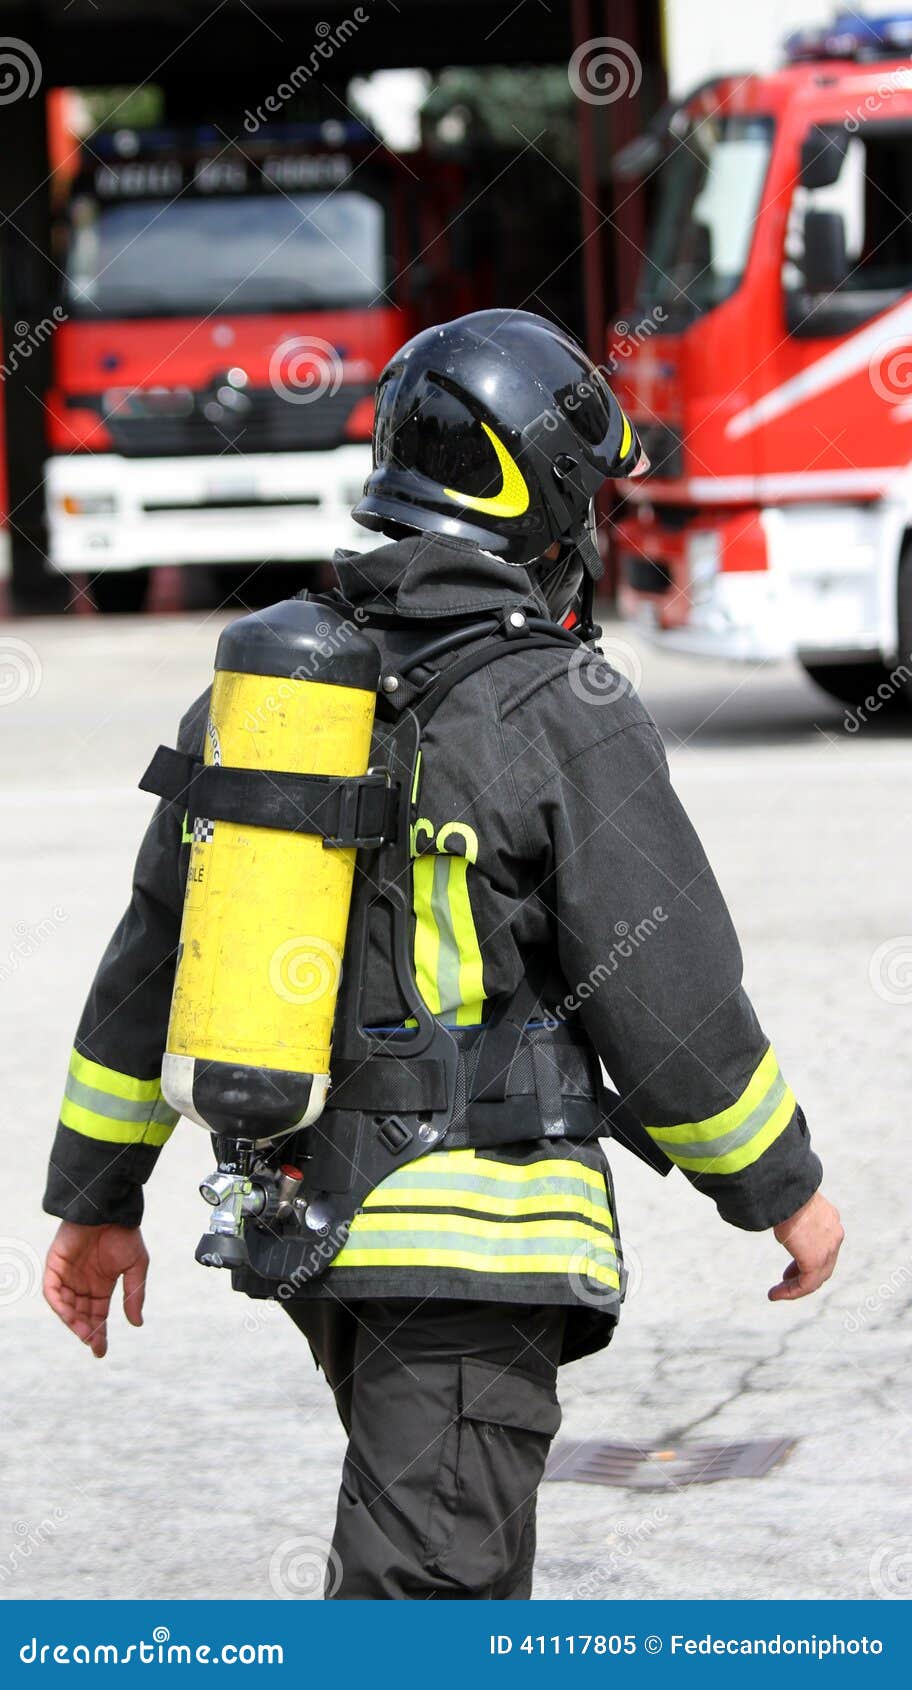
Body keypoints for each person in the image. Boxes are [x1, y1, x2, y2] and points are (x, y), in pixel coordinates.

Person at [43, 310, 844, 1600]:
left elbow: (155, 963)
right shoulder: (557, 701)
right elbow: (670, 993)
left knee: (435, 1569)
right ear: (550, 504)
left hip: (317, 1225)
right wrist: (781, 1186)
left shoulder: (272, 695)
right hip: (479, 1241)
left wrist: (97, 1197)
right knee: (427, 1616)